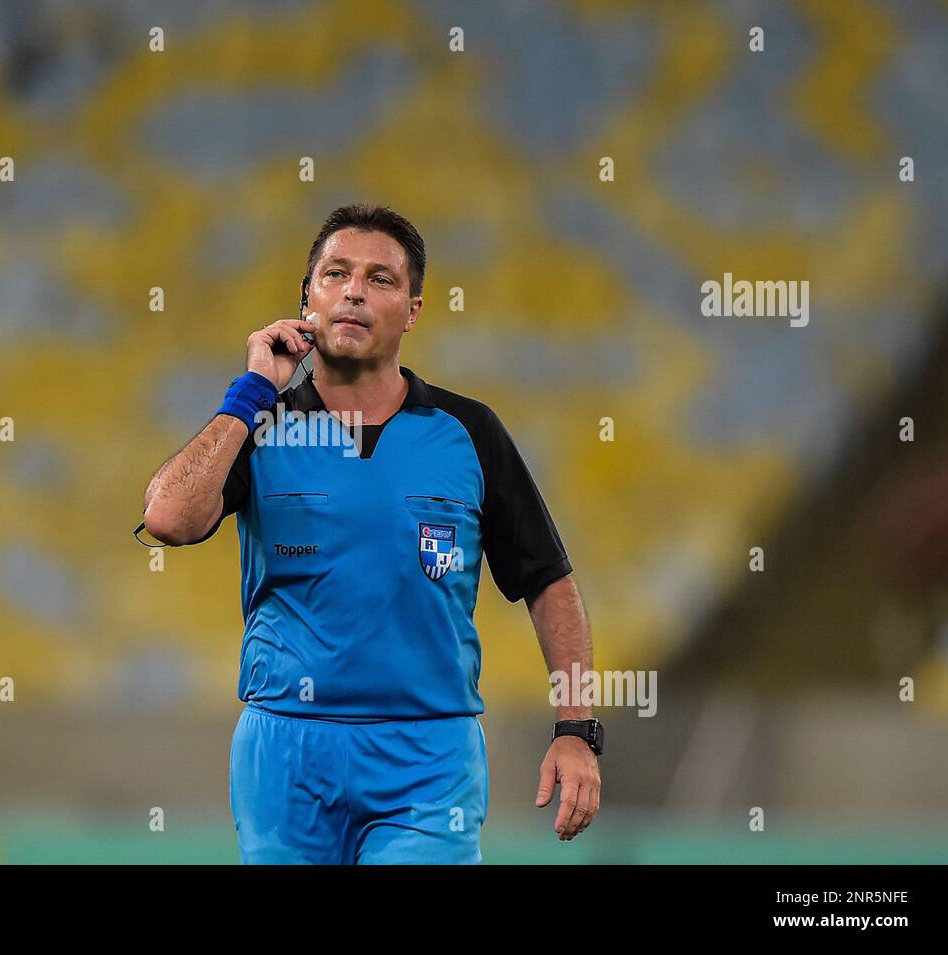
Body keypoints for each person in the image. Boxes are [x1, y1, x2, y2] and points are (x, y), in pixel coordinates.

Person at [138, 203, 601, 863]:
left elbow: (549, 582)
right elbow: (168, 518)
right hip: (287, 754)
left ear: (412, 309)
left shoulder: (468, 433)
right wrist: (249, 392)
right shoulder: (258, 425)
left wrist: (577, 728)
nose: (354, 290)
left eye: (380, 279)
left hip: (427, 756)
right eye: (335, 274)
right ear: (307, 298)